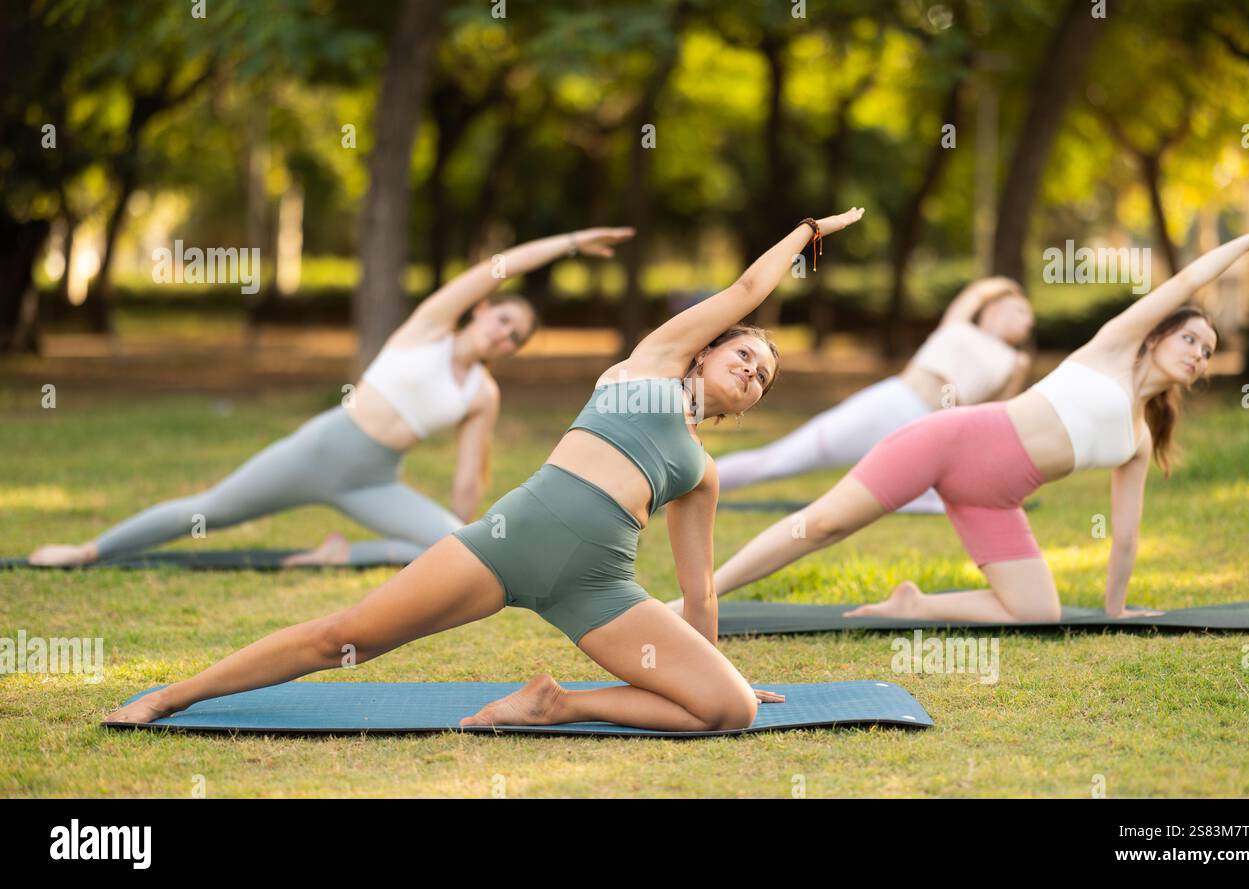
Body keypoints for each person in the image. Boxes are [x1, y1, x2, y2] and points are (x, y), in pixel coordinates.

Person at [105, 209, 866, 732]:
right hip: (507, 542)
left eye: (765, 377)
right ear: (705, 349)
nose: (754, 374)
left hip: (598, 588)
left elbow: (699, 592)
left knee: (729, 710)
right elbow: (742, 292)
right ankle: (172, 696)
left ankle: (558, 703)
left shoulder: (701, 472)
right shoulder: (650, 366)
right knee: (345, 636)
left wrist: (710, 667)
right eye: (745, 355)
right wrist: (804, 233)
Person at [711, 226, 1249, 622]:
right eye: (1190, 338)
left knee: (1039, 611)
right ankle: (700, 598)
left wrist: (1116, 608)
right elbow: (1184, 284)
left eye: (1208, 351)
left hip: (993, 501)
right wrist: (1242, 244)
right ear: (1159, 335)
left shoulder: (1139, 438)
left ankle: (916, 605)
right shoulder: (1110, 351)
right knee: (821, 527)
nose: (1197, 353)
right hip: (948, 442)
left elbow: (1127, 534)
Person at [30, 229, 632, 568]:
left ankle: (338, 555)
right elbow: (499, 265)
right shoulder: (428, 325)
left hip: (375, 479)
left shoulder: (483, 393)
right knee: (209, 511)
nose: (504, 334)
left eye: (516, 337)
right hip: (321, 450)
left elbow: (469, 475)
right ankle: (89, 549)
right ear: (483, 311)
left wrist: (467, 529)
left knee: (454, 543)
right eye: (503, 320)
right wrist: (573, 242)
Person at [714, 276, 1035, 514]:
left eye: (1028, 318)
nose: (1026, 320)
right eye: (1018, 310)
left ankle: (912, 494)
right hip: (893, 403)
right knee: (781, 460)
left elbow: (995, 414)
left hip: (935, 429)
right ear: (993, 310)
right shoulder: (959, 325)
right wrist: (1007, 286)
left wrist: (1019, 371)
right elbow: (976, 293)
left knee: (933, 500)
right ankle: (696, 485)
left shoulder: (1013, 361)